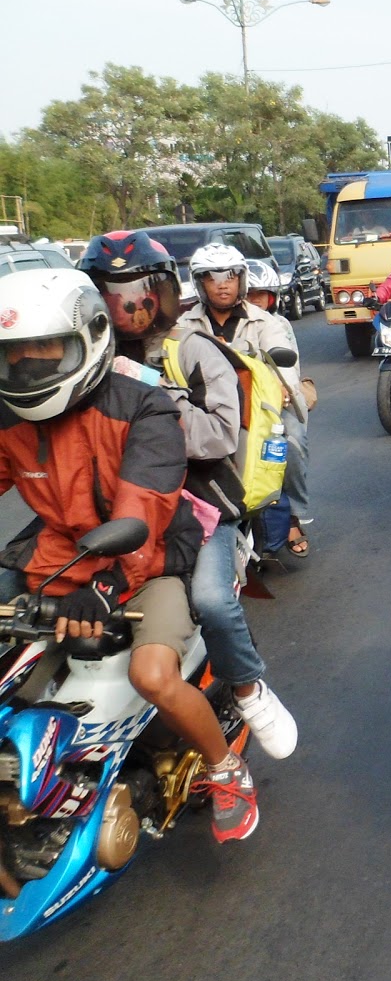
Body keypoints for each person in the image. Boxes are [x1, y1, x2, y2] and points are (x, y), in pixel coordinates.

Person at [0, 269, 261, 843]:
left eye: (45, 348)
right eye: (13, 354)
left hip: (145, 563)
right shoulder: (10, 419)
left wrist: (108, 585)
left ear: (89, 336)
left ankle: (225, 767)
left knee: (153, 675)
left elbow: (144, 512)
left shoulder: (145, 408)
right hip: (60, 565)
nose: (27, 365)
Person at [84, 234, 300, 775]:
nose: (127, 306)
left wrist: (159, 400)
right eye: (112, 293)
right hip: (113, 501)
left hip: (196, 501)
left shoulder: (189, 349)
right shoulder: (85, 351)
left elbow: (221, 436)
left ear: (160, 291)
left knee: (211, 598)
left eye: (137, 292)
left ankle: (248, 686)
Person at [236, 257, 318, 558]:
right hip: (229, 402)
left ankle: (293, 514)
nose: (254, 301)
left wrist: (282, 388)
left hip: (274, 402)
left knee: (291, 443)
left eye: (261, 295)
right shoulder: (214, 321)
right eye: (249, 294)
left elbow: (288, 370)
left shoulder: (277, 325)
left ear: (272, 297)